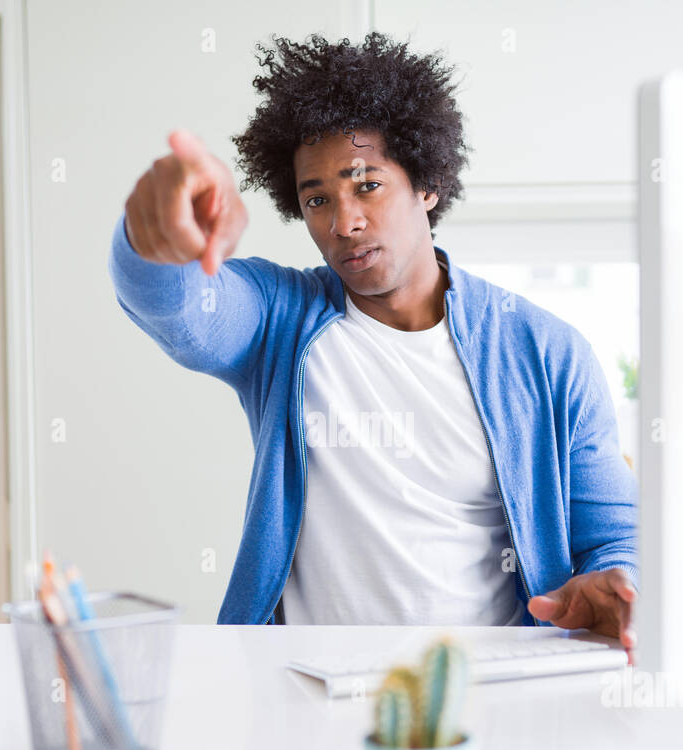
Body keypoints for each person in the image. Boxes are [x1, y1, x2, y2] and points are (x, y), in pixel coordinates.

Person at [109, 33, 638, 659]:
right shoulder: (282, 320)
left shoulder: (546, 353)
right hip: (302, 685)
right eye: (316, 199)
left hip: (489, 687)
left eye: (367, 186)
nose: (343, 223)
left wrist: (622, 581)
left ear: (427, 184)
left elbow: (614, 534)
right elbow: (182, 306)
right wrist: (161, 234)